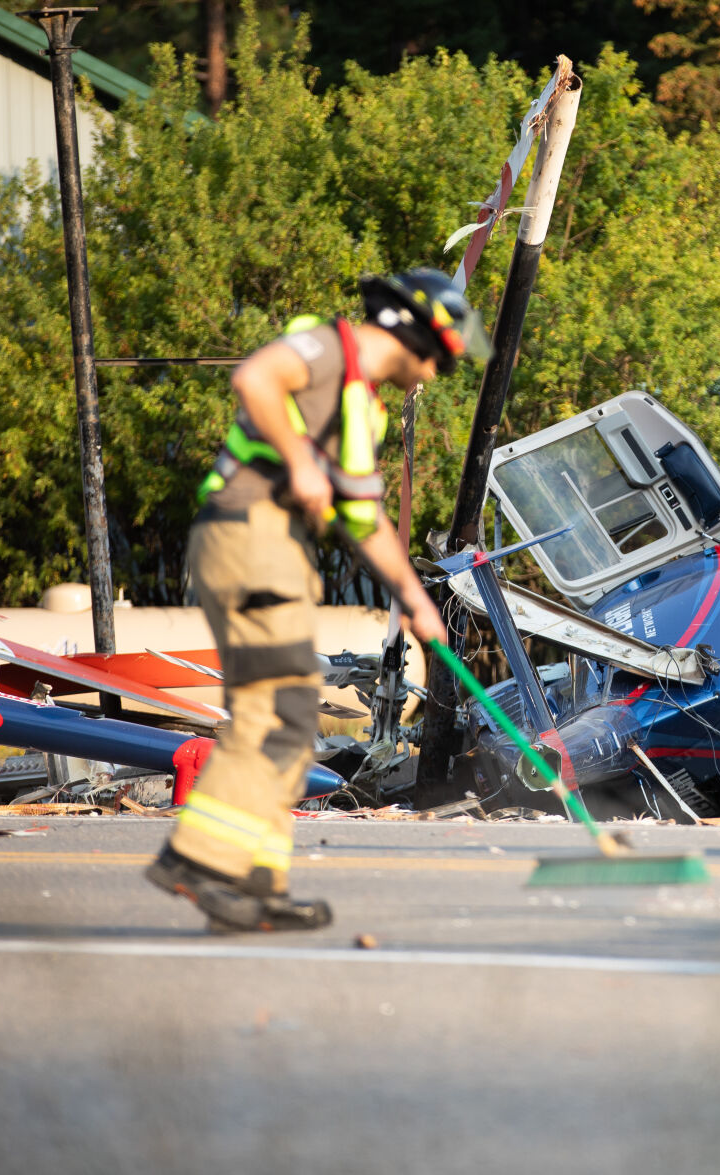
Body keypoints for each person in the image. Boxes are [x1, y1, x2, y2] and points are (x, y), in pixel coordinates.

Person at [146, 270, 488, 930]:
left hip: (271, 549)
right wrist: (301, 458)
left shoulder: (362, 406)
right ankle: (200, 859)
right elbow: (255, 376)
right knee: (276, 714)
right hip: (247, 536)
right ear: (414, 333)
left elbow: (364, 517)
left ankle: (256, 885)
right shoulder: (333, 350)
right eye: (440, 357)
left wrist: (416, 600)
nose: (438, 374)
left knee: (290, 719)